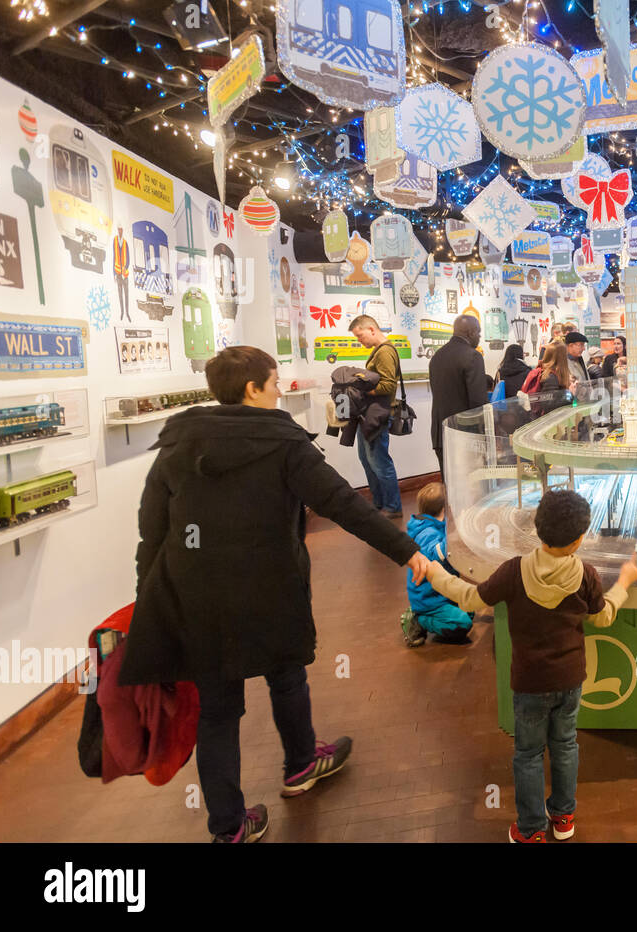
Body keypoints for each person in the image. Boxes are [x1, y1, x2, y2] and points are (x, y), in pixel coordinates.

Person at [118, 345, 432, 843]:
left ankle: (228, 827)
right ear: (252, 389)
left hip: (195, 599)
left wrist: (148, 597)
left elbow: (150, 533)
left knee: (217, 713)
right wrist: (407, 551)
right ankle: (301, 765)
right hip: (272, 589)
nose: (280, 387)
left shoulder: (179, 445)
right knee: (286, 678)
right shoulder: (283, 444)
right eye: (274, 380)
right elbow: (343, 505)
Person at [421, 490, 637, 842]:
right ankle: (564, 817)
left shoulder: (513, 572)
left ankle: (531, 830)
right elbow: (602, 618)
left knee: (528, 754)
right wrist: (625, 582)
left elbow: (468, 598)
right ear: (581, 538)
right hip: (570, 679)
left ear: (536, 529)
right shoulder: (586, 575)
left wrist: (433, 571)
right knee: (566, 744)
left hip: (529, 683)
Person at [401, 482, 473, 646]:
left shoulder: (435, 525)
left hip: (443, 593)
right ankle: (419, 620)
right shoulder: (426, 533)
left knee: (470, 610)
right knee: (461, 624)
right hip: (430, 600)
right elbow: (436, 553)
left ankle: (433, 616)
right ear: (444, 510)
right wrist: (456, 531)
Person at [348, 314, 403, 517]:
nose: (359, 340)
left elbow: (388, 384)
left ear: (372, 329)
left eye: (360, 335)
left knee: (379, 462)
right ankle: (380, 503)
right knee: (368, 459)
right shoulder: (379, 351)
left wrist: (362, 390)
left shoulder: (384, 352)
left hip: (378, 415)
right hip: (371, 415)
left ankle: (392, 506)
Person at [428, 315, 488, 485]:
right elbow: (478, 403)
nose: (479, 337)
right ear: (471, 332)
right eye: (478, 333)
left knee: (450, 487)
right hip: (464, 436)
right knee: (471, 490)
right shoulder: (472, 356)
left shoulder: (437, 357)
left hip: (440, 432)